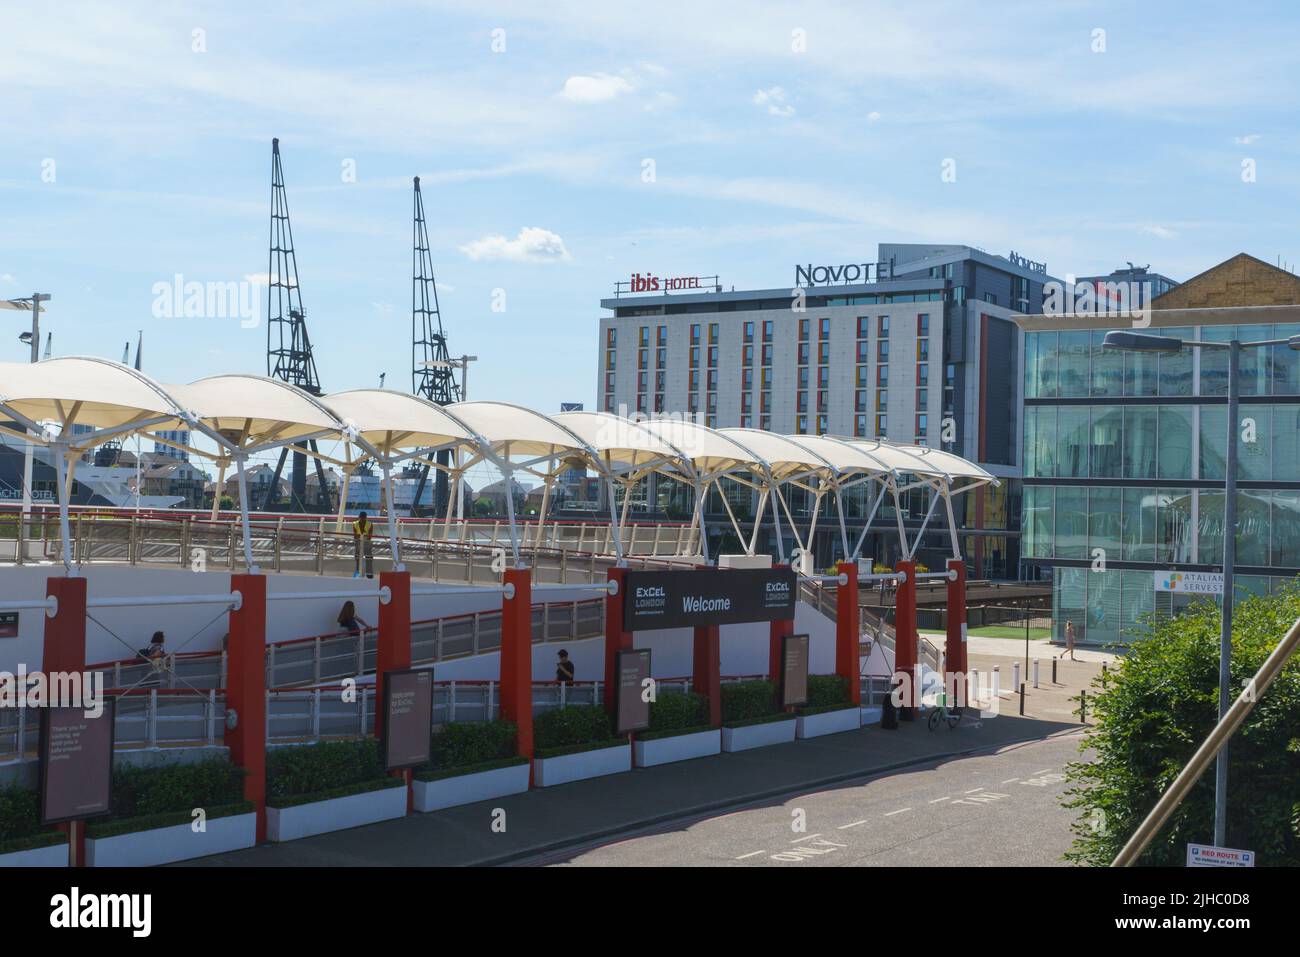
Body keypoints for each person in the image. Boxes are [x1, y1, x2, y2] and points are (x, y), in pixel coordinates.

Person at [352, 511, 374, 579]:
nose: (362, 519)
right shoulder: (354, 524)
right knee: (358, 558)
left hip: (366, 543)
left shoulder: (370, 524)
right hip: (358, 543)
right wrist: (359, 539)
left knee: (369, 558)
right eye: (361, 518)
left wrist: (364, 539)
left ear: (366, 518)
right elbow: (355, 535)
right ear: (359, 517)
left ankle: (369, 574)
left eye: (363, 518)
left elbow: (370, 535)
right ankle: (357, 573)